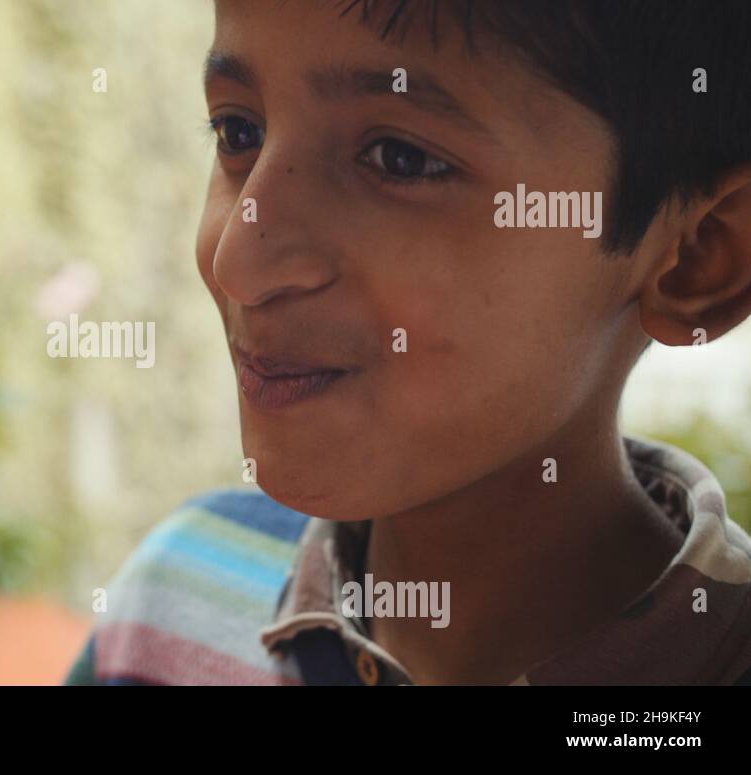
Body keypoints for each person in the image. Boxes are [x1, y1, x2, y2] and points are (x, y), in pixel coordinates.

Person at [64, 0, 751, 685]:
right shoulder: (174, 602)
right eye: (238, 131)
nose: (238, 261)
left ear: (698, 258)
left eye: (400, 158)